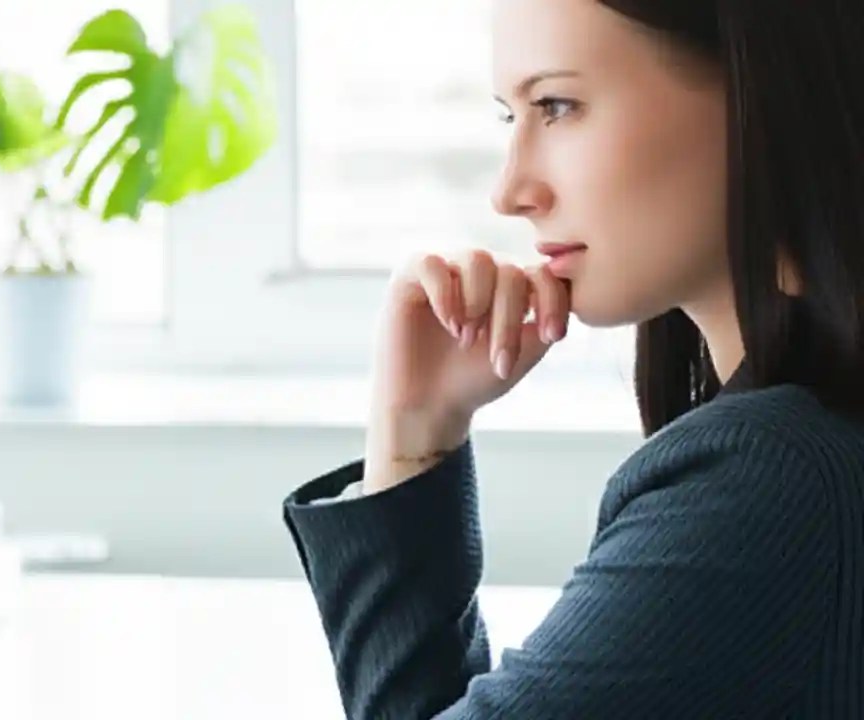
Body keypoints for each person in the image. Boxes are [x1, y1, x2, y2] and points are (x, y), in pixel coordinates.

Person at [281, 0, 864, 717]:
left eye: (557, 105)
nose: (511, 191)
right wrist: (415, 434)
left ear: (758, 94)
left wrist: (405, 447)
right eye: (508, 117)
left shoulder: (772, 481)